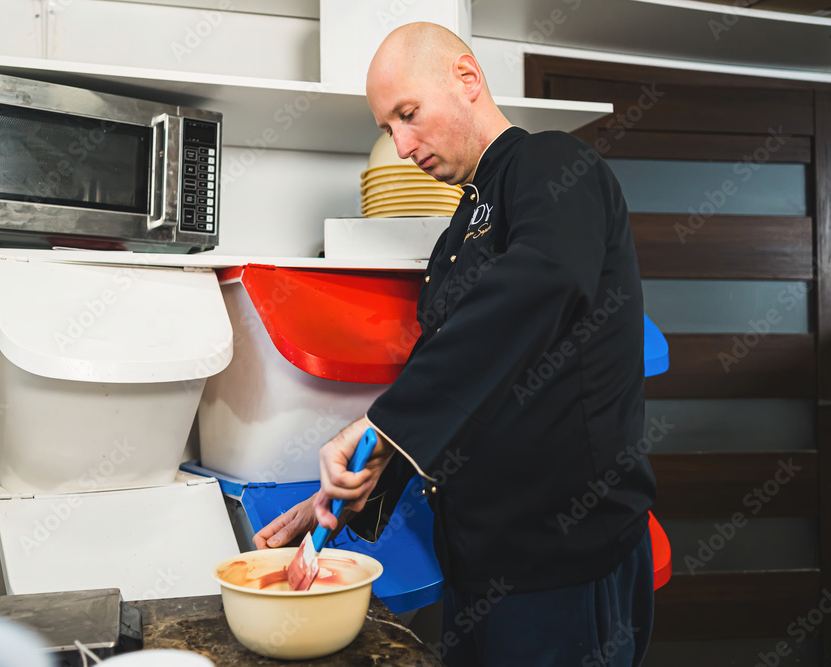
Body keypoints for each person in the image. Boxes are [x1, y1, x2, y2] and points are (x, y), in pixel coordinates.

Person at [253, 22, 657, 667]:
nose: (404, 145)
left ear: (467, 79)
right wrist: (361, 480)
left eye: (408, 115)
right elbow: (463, 374)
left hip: (563, 556)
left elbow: (542, 281)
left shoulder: (553, 163)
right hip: (477, 555)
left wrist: (380, 425)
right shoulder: (457, 233)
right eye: (389, 129)